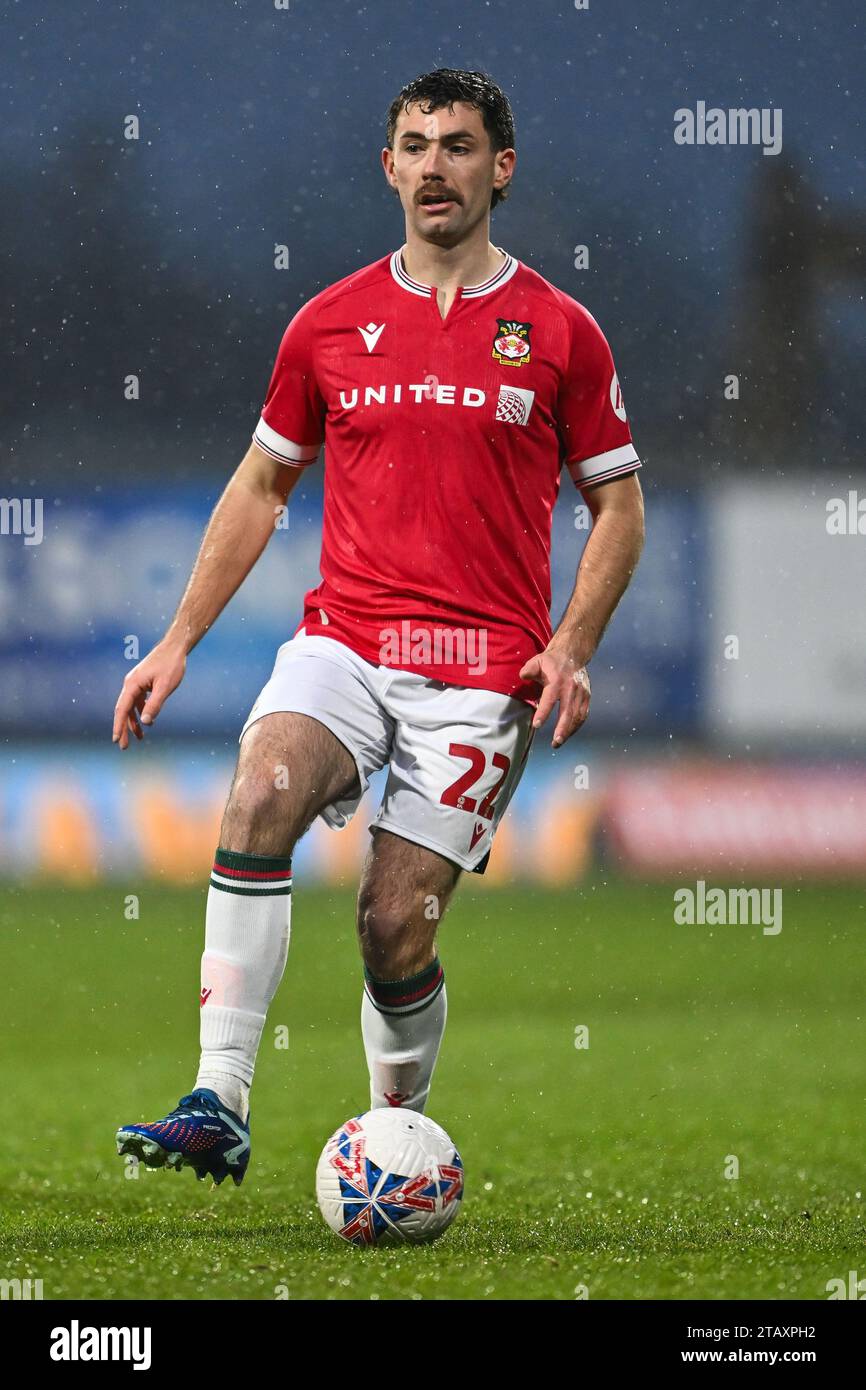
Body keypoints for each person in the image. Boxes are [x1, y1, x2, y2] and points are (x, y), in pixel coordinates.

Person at [113, 68, 645, 1187]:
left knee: (392, 922)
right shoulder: (327, 324)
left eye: (457, 145)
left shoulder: (558, 331)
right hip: (347, 643)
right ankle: (219, 1097)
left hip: (480, 674)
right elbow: (261, 487)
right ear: (388, 166)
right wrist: (176, 641)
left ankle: (393, 1140)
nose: (433, 165)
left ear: (499, 168)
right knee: (259, 787)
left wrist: (571, 645)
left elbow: (616, 503)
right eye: (414, 145)